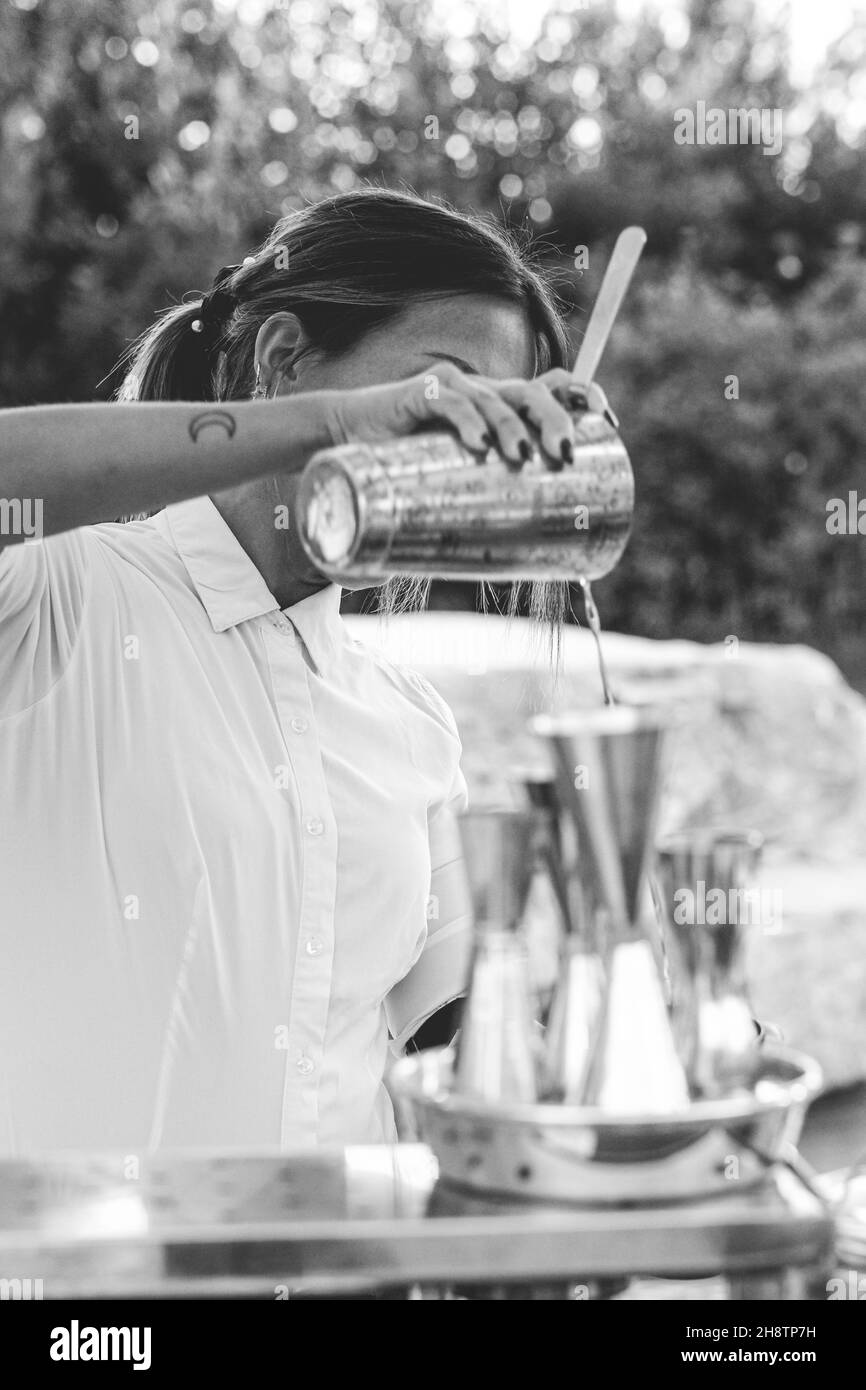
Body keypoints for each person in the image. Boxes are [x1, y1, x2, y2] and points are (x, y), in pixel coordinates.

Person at [0, 187, 606, 1152]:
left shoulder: (409, 722)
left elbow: (451, 1031)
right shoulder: (58, 603)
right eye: (445, 393)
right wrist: (336, 427)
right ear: (285, 361)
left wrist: (622, 1047)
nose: (468, 449)